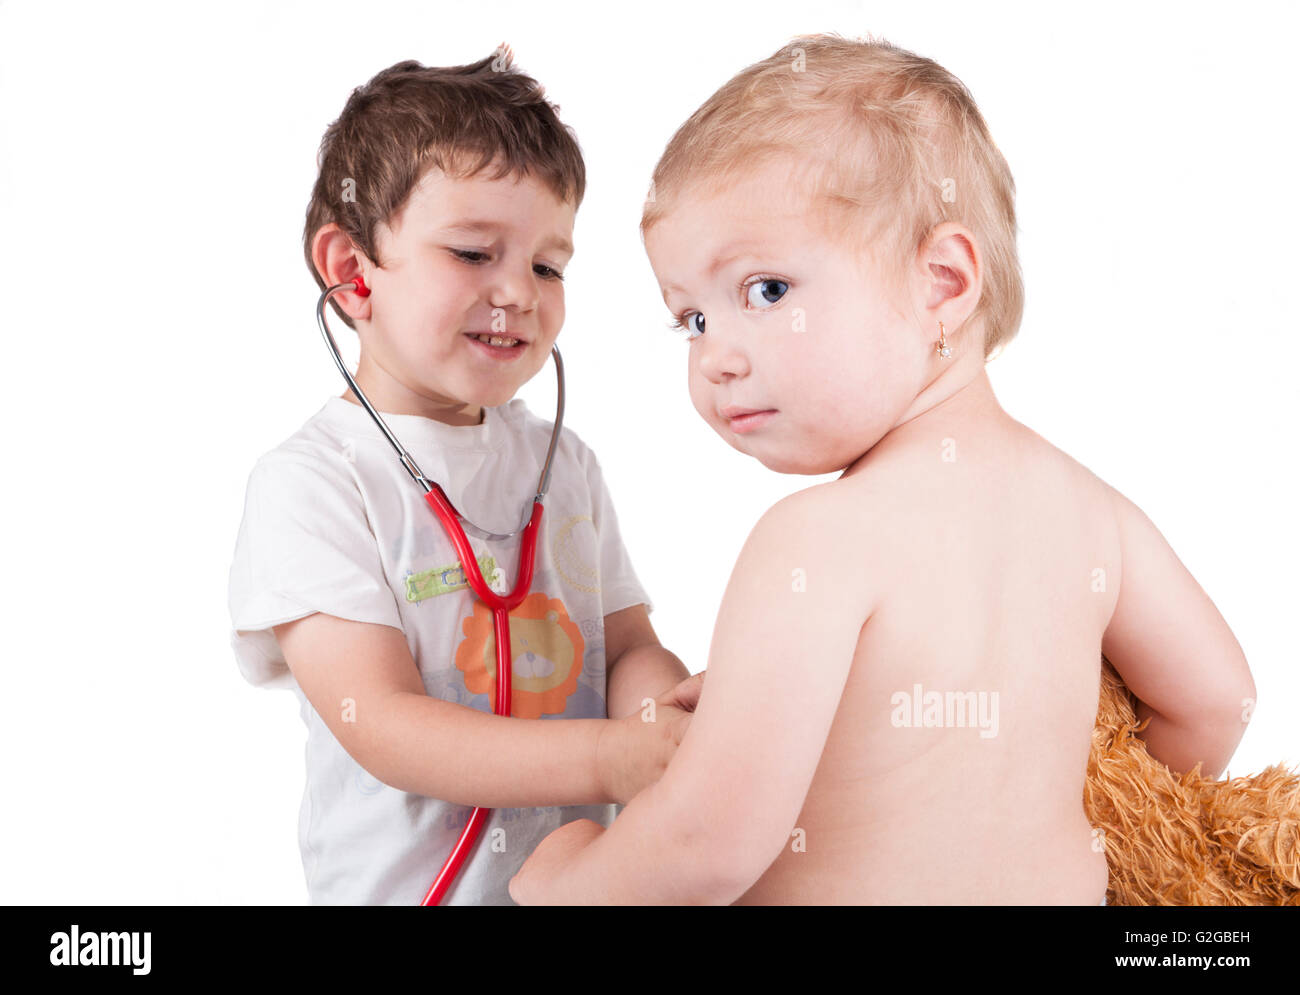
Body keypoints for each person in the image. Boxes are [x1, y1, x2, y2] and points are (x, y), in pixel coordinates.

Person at [509, 32, 1256, 905]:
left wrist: (564, 882)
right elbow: (1218, 702)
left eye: (765, 290)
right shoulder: (1095, 516)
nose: (715, 357)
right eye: (692, 320)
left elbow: (707, 845)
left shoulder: (815, 539)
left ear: (942, 282)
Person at [226, 47, 698, 905]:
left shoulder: (568, 465)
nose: (519, 290)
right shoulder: (314, 485)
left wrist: (664, 719)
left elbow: (626, 646)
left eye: (549, 266)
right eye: (475, 252)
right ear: (351, 273)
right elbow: (386, 725)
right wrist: (607, 756)